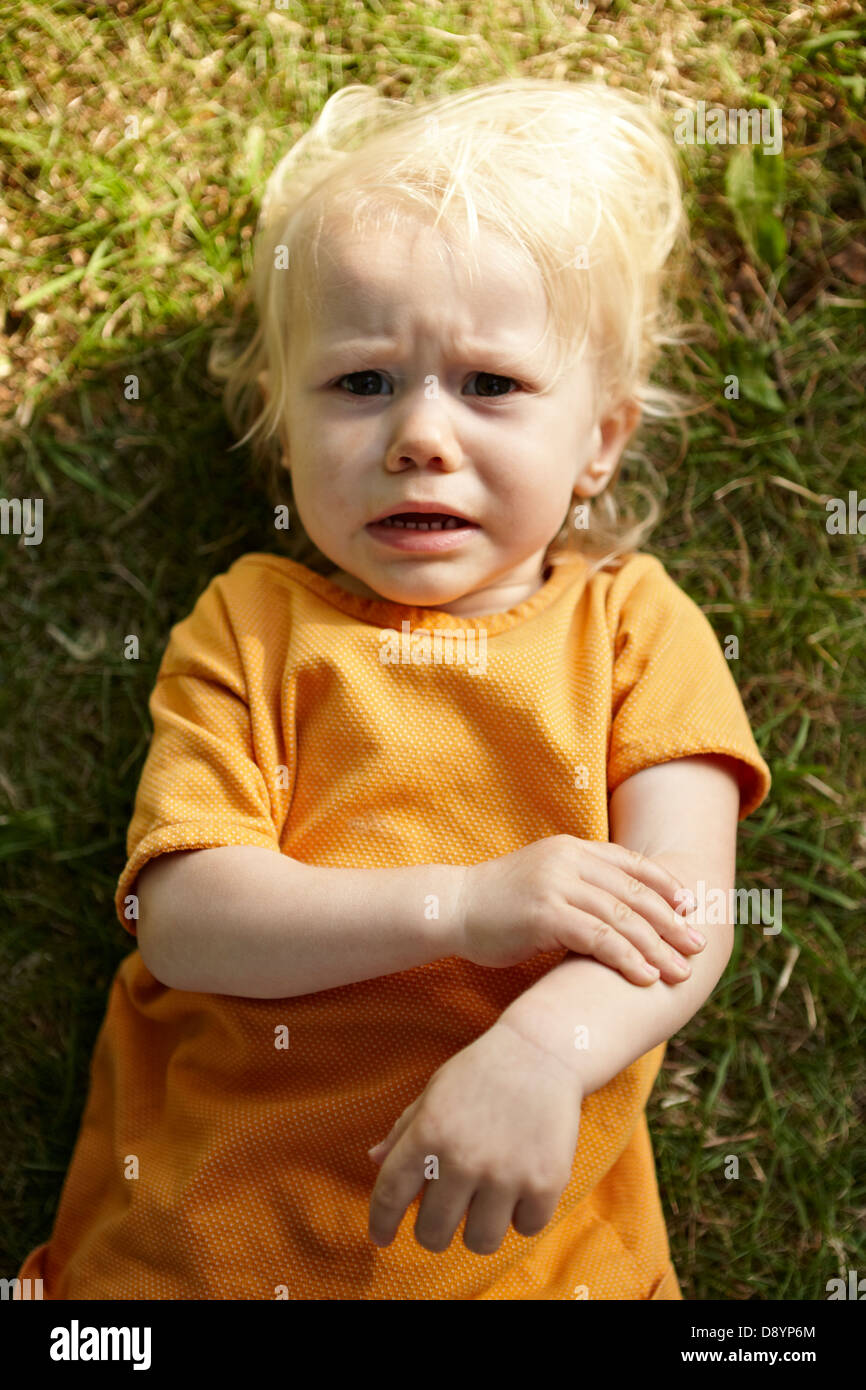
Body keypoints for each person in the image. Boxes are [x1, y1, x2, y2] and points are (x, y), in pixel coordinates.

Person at [17, 78, 771, 1300]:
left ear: (601, 440)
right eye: (360, 384)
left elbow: (680, 920)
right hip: (200, 1258)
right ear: (282, 426)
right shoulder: (252, 624)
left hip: (520, 1271)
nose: (421, 435)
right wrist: (470, 908)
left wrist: (538, 1048)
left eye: (491, 385)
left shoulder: (632, 627)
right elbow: (190, 916)